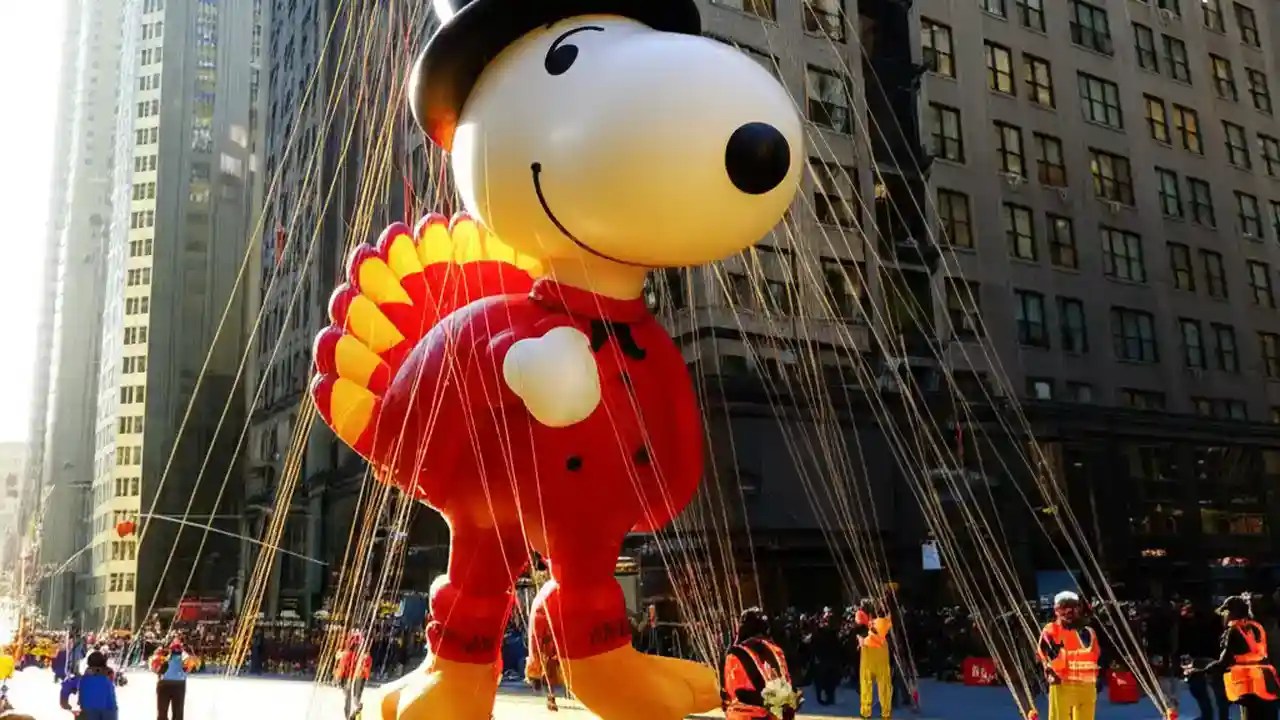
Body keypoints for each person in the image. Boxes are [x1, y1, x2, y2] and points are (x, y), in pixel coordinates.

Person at [1187, 595, 1279, 720]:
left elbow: (1224, 662)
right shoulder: (1257, 627)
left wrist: (1199, 671)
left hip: (1250, 690)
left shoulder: (1234, 631)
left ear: (1232, 613)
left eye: (1226, 612)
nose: (1224, 616)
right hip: (1267, 685)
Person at [721, 607, 800, 720]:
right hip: (775, 715)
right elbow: (787, 683)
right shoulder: (776, 651)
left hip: (746, 715)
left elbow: (735, 691)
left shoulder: (735, 654)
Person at [1039, 591, 1101, 720]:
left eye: (1073, 606)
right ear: (1056, 610)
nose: (1069, 610)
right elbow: (1042, 652)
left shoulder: (1089, 632)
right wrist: (1047, 669)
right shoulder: (1051, 630)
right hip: (1062, 685)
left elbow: (1096, 655)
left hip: (1087, 686)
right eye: (1064, 606)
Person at [856, 599, 894, 719]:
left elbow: (860, 630)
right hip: (878, 655)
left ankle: (867, 713)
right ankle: (885, 713)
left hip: (869, 655)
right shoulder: (884, 622)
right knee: (883, 686)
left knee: (868, 684)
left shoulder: (875, 621)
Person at [59, 650, 119, 720]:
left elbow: (66, 686)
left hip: (88, 714)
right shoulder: (109, 677)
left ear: (88, 663)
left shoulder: (82, 680)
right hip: (110, 713)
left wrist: (64, 703)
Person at [334, 633, 372, 719]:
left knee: (350, 699)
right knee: (354, 699)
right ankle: (354, 713)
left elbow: (342, 667)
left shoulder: (347, 654)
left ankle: (352, 715)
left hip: (351, 678)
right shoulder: (364, 656)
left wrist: (338, 678)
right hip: (357, 678)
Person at [151, 640, 190, 720]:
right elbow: (191, 667)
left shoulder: (162, 655)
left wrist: (158, 653)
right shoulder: (185, 656)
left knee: (162, 712)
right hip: (179, 685)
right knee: (178, 713)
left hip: (164, 684)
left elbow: (154, 667)